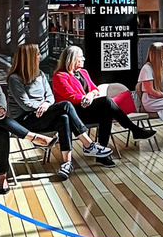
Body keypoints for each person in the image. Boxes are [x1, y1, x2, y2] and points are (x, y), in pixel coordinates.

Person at [6, 43, 112, 179]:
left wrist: (46, 104)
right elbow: (26, 105)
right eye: (37, 54)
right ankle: (88, 145)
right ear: (29, 58)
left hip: (41, 115)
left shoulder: (41, 75)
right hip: (24, 121)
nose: (40, 57)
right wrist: (44, 105)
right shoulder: (15, 79)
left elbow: (50, 97)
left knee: (64, 117)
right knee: (66, 105)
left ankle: (67, 163)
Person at [52, 46, 157, 151]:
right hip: (74, 112)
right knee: (106, 101)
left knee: (106, 113)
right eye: (81, 56)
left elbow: (95, 89)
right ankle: (135, 130)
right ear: (73, 58)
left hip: (87, 108)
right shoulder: (59, 76)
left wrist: (90, 95)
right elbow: (72, 97)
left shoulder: (83, 72)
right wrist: (87, 97)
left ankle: (102, 152)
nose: (84, 59)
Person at [0, 48, 54, 194]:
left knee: (2, 133)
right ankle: (33, 137)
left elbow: (0, 95)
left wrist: (2, 108)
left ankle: (2, 176)